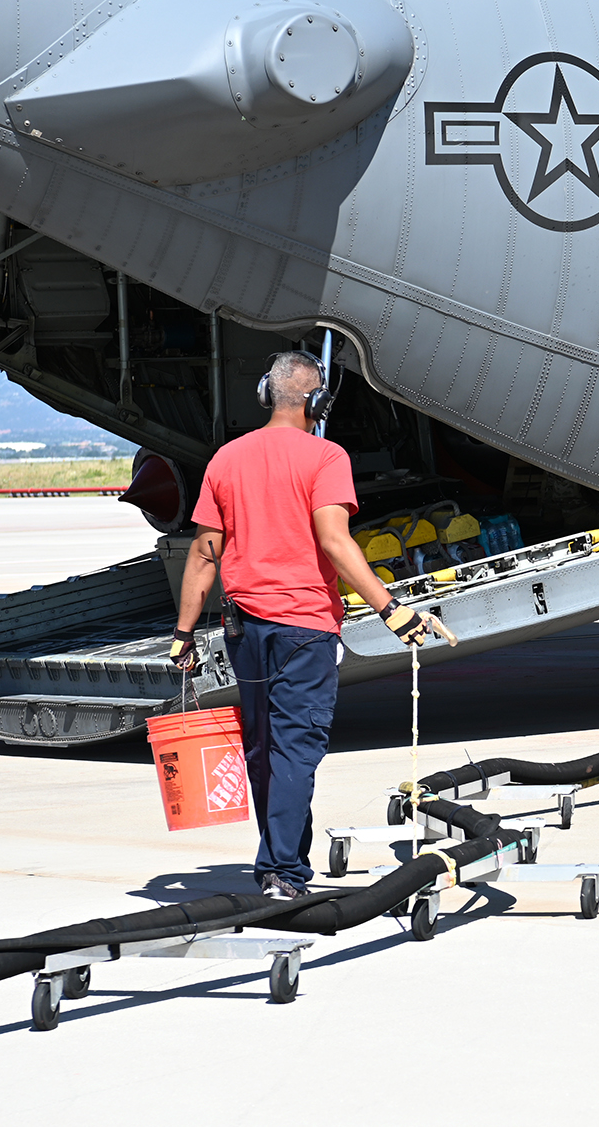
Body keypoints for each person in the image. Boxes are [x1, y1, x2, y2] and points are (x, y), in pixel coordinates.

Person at [170, 350, 433, 899]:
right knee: (295, 747)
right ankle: (281, 873)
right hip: (304, 628)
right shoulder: (325, 457)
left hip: (243, 628)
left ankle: (283, 858)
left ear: (267, 394)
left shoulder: (226, 459)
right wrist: (391, 609)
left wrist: (183, 634)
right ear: (318, 402)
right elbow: (335, 541)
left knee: (263, 747)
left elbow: (203, 553)